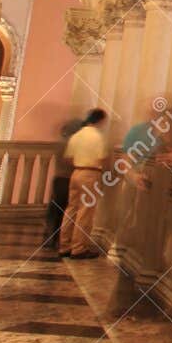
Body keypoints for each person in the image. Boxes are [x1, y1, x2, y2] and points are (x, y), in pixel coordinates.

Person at [59, 108, 108, 259]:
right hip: (90, 173)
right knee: (85, 212)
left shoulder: (76, 136)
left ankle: (64, 245)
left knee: (71, 209)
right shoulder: (98, 137)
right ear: (100, 121)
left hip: (76, 172)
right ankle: (79, 248)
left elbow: (68, 158)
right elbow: (102, 159)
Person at [44, 114, 86, 260]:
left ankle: (51, 238)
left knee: (55, 209)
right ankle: (60, 240)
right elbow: (71, 160)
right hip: (67, 179)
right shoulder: (71, 143)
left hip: (58, 178)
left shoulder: (61, 141)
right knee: (64, 211)